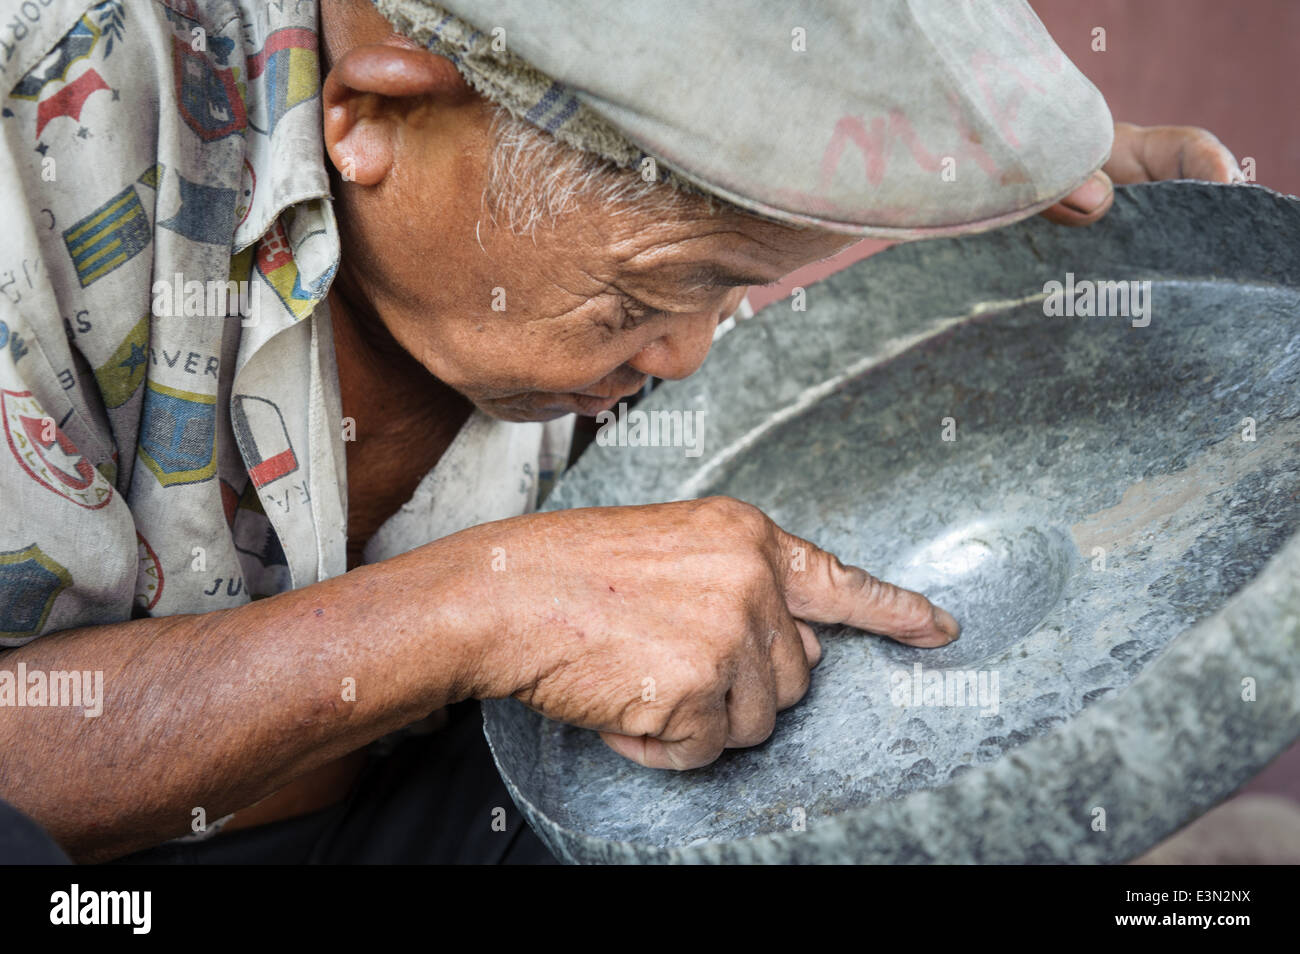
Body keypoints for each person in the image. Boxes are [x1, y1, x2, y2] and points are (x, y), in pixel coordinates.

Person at [0, 0, 1242, 863]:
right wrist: (478, 607)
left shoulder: (562, 255)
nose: (684, 358)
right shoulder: (48, 103)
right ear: (375, 117)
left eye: (732, 287)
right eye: (650, 298)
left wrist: (927, 203)